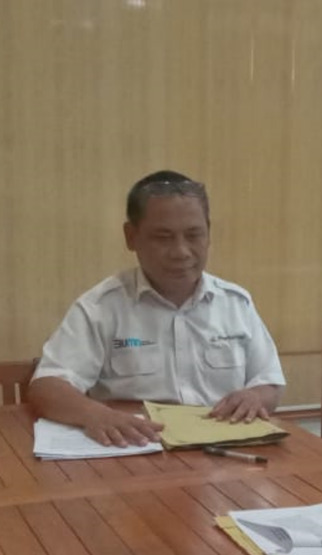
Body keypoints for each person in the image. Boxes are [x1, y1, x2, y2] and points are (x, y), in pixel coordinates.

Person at [29, 170, 286, 447]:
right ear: (131, 237)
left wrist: (256, 397)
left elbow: (269, 381)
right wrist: (96, 415)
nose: (181, 251)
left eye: (194, 235)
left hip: (222, 452)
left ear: (208, 234)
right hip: (137, 449)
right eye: (163, 237)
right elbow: (47, 386)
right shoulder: (101, 306)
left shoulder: (236, 303)